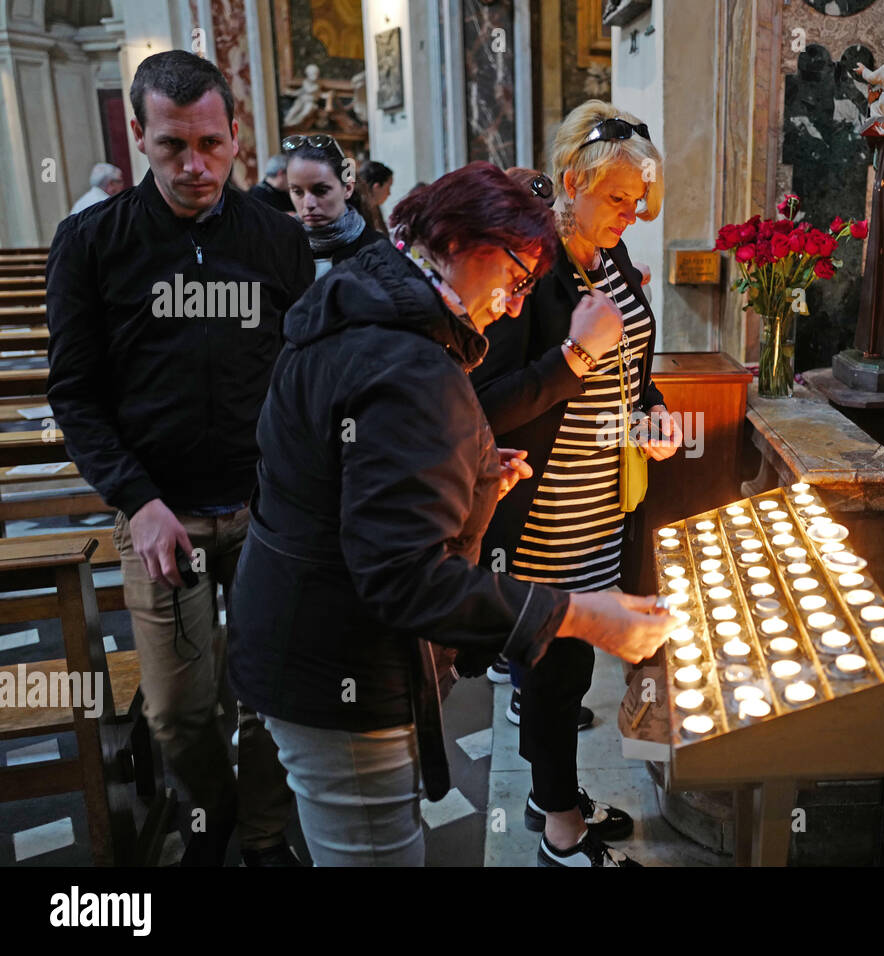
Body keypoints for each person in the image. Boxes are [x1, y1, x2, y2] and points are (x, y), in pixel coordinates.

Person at [227, 161, 670, 867]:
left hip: (305, 634)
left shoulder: (374, 292)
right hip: (337, 662)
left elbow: (363, 479)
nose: (520, 303)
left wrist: (472, 477)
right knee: (376, 851)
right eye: (519, 278)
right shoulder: (407, 360)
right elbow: (405, 578)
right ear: (464, 244)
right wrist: (584, 614)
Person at [45, 50, 313, 866]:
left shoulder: (275, 238)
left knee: (272, 693)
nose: (194, 166)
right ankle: (213, 813)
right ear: (138, 137)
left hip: (266, 509)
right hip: (158, 509)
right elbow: (76, 395)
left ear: (235, 133)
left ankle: (264, 835)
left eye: (210, 143)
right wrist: (139, 500)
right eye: (170, 147)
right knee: (177, 710)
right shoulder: (91, 242)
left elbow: (305, 374)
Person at [472, 102, 682, 868]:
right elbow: (485, 407)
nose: (631, 217)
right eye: (619, 200)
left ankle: (548, 793)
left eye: (639, 204)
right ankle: (562, 830)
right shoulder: (528, 269)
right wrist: (576, 357)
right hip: (541, 510)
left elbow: (636, 380)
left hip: (604, 505)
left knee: (577, 664)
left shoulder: (613, 260)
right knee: (552, 671)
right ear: (571, 182)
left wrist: (651, 416)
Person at [283, 134, 384, 277]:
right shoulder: (280, 247)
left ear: (348, 188)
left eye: (321, 190)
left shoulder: (377, 249)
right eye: (297, 192)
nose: (308, 204)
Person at [357, 159, 394, 233]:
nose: (389, 193)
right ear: (376, 187)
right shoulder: (358, 215)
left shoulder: (374, 210)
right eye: (388, 187)